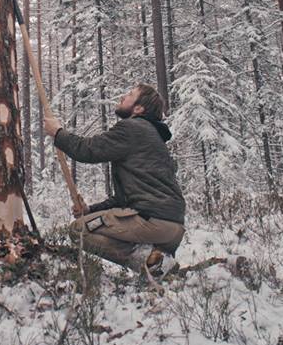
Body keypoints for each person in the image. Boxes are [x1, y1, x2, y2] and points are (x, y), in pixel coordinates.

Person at [44, 84, 186, 278]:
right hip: (172, 227)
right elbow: (123, 200)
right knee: (87, 221)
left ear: (139, 108)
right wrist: (90, 210)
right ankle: (157, 259)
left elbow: (88, 150)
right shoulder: (152, 138)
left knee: (79, 230)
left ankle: (152, 262)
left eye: (130, 95)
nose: (123, 97)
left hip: (151, 221)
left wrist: (58, 133)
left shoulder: (133, 128)